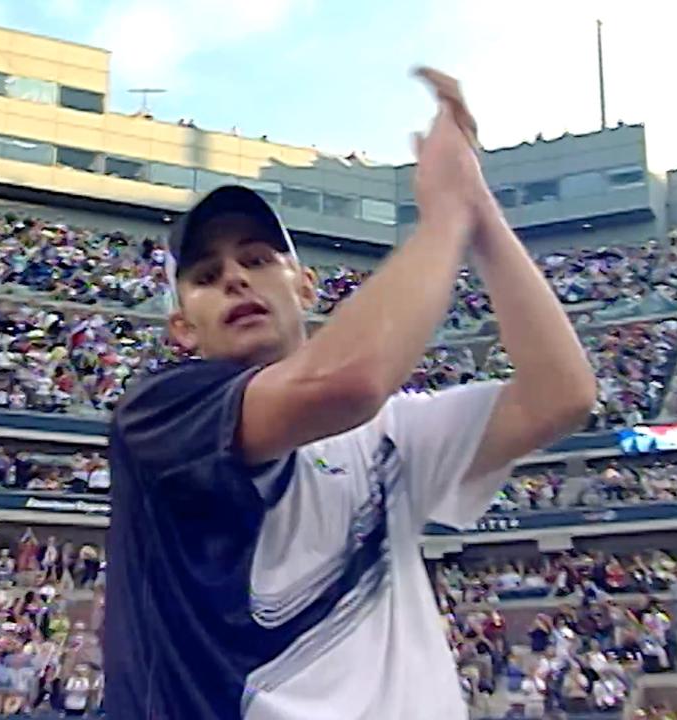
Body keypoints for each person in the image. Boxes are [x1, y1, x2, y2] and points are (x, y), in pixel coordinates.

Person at [103, 67, 596, 720]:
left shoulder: (388, 435)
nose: (235, 280)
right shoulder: (157, 412)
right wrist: (445, 213)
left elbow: (561, 393)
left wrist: (480, 212)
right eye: (206, 274)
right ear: (181, 327)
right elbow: (349, 379)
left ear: (306, 288)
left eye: (257, 259)